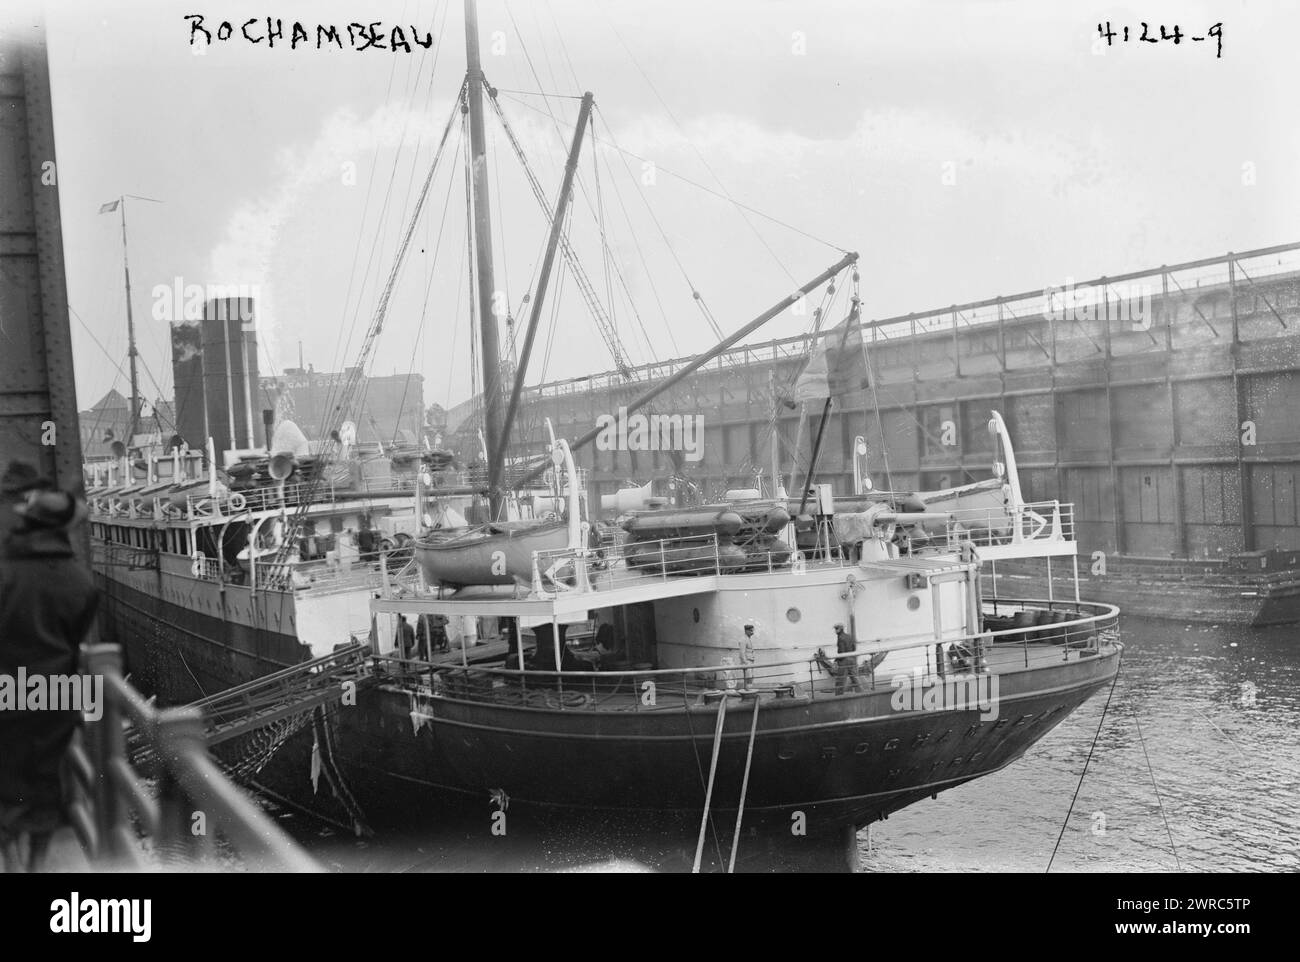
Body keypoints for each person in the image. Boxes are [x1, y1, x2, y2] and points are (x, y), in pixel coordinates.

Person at [0, 485, 98, 872]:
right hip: (56, 699)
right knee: (46, 788)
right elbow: (75, 641)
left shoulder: (4, 574)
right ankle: (38, 863)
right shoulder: (80, 583)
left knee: (6, 784)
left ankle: (9, 856)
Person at [834, 623, 863, 695]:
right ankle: (862, 693)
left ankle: (838, 697)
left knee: (840, 680)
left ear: (840, 629)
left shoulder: (840, 637)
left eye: (836, 629)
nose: (835, 631)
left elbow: (841, 651)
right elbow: (854, 648)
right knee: (855, 678)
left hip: (844, 661)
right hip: (852, 659)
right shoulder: (849, 636)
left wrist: (836, 660)